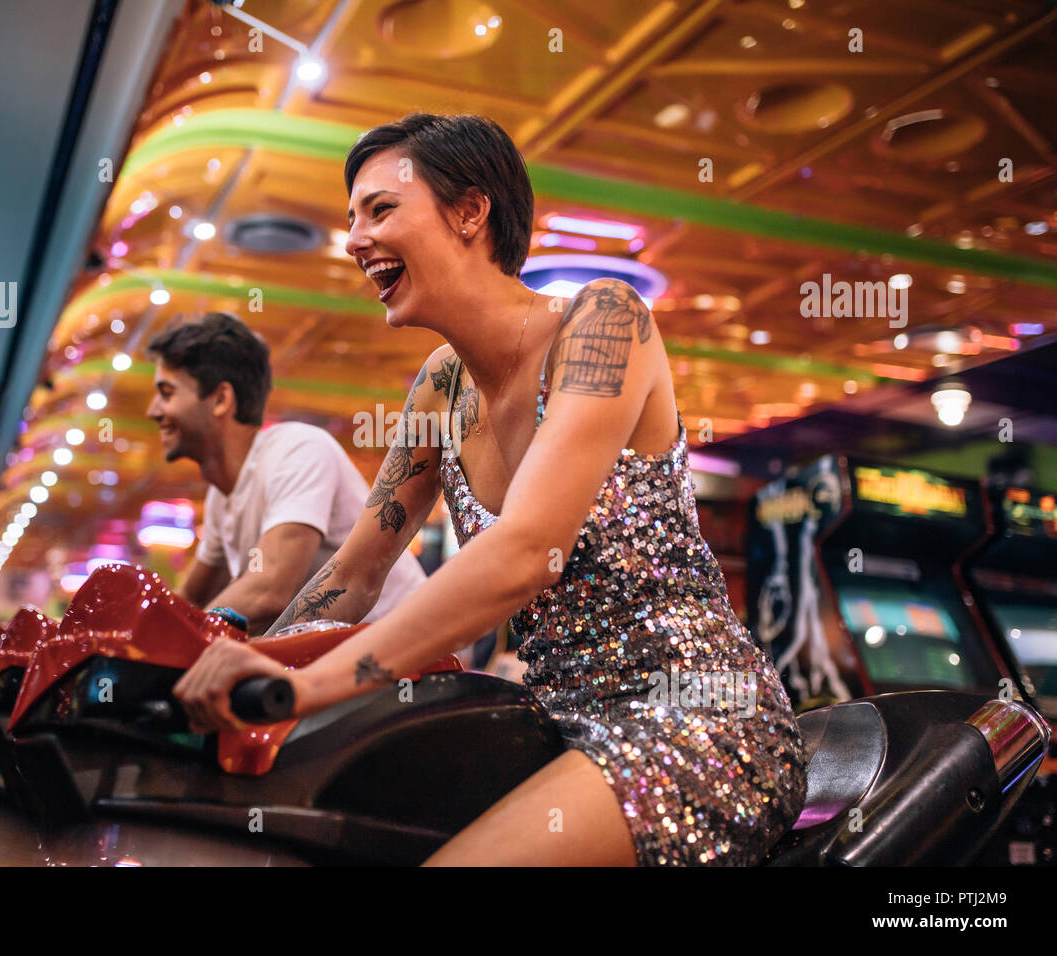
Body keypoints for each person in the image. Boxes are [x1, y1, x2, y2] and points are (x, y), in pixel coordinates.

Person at [173, 114, 807, 865]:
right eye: (351, 219)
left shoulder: (603, 320)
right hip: (546, 719)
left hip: (693, 717)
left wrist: (299, 686)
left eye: (380, 210)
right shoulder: (439, 387)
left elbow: (528, 551)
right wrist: (248, 669)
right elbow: (354, 572)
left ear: (471, 212)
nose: (354, 239)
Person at [145, 312, 426, 635]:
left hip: (417, 659)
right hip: (341, 662)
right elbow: (190, 600)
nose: (152, 411)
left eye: (166, 393)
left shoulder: (297, 449)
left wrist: (179, 639)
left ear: (221, 399)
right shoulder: (220, 499)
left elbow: (268, 589)